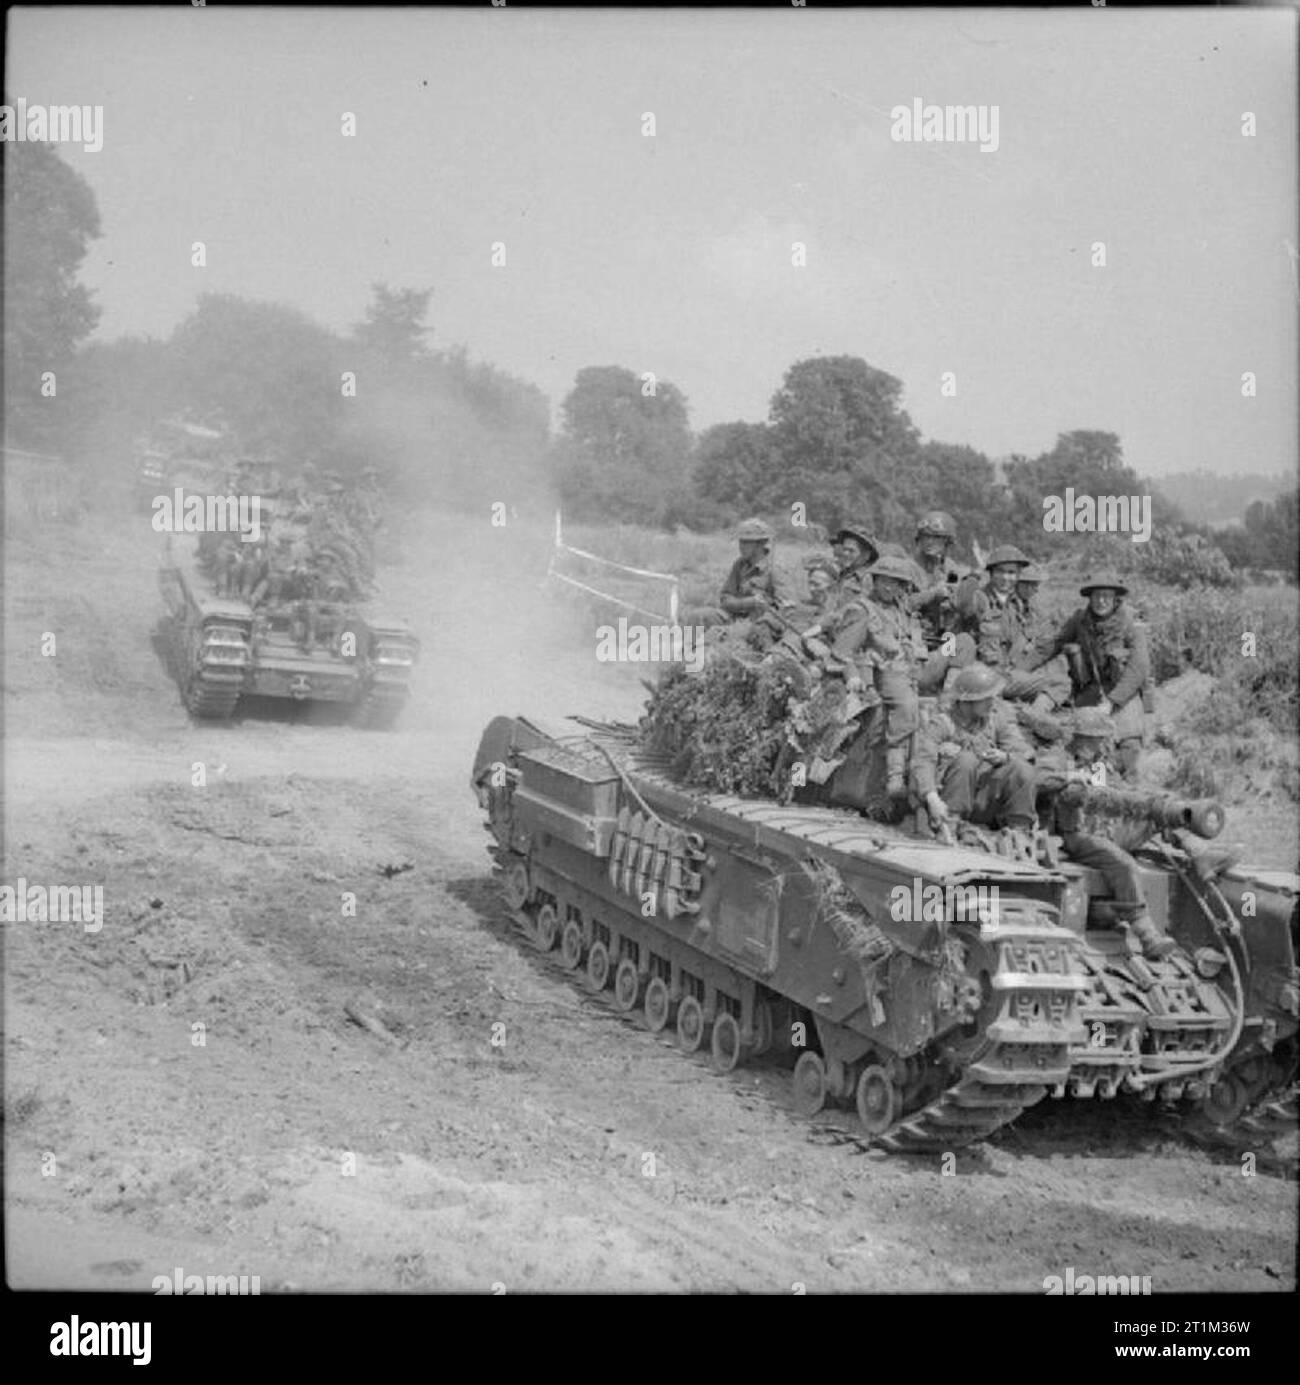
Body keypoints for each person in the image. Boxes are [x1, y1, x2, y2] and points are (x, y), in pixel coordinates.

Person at [1036, 708, 1174, 960]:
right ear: (1078, 737)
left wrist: (1148, 803)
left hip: (1101, 828)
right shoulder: (1058, 758)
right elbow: (1039, 779)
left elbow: (1110, 792)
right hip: (1071, 833)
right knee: (1122, 863)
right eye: (1093, 738)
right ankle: (1146, 934)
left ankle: (1199, 854)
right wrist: (1069, 777)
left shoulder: (1097, 765)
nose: (1099, 744)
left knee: (1163, 815)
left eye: (1100, 739)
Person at [1024, 570, 1149, 780]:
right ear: (1089, 598)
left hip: (1123, 693)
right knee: (1087, 747)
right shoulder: (1080, 621)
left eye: (1106, 596)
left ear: (1115, 598)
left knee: (1128, 746)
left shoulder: (1130, 625)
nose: (1101, 601)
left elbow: (1138, 668)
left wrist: (1112, 702)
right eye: (1096, 596)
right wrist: (1019, 671)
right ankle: (1097, 791)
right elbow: (1051, 645)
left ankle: (1129, 792)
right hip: (1090, 692)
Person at [829, 554, 927, 796]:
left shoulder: (901, 610)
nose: (889, 587)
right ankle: (895, 776)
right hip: (881, 673)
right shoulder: (862, 609)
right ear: (875, 580)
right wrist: (854, 675)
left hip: (909, 671)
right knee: (906, 705)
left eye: (896, 583)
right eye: (884, 580)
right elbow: (843, 651)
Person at [911, 663, 1038, 835]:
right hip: (946, 805)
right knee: (966, 760)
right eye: (986, 698)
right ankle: (951, 825)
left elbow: (1023, 750)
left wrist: (1005, 756)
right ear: (967, 701)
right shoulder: (942, 724)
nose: (992, 702)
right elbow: (923, 762)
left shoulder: (995, 720)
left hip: (983, 801)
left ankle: (1019, 832)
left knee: (1022, 769)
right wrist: (932, 798)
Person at [997, 561, 1073, 712]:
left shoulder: (1027, 607)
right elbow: (1007, 653)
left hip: (1016, 669)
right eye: (1033, 585)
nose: (1036, 589)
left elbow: (1040, 637)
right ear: (1020, 584)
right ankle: (1035, 714)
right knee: (1060, 684)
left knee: (1058, 661)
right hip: (1003, 673)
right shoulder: (1004, 610)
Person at [719, 518, 789, 618]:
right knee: (697, 616)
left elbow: (785, 606)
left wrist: (764, 604)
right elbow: (725, 597)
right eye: (741, 542)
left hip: (758, 622)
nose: (741, 547)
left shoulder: (775, 568)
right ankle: (689, 634)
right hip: (734, 615)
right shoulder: (740, 564)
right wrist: (745, 603)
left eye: (746, 542)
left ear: (760, 544)